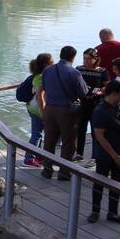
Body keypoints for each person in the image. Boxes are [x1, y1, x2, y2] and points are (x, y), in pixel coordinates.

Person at [88, 78, 120, 225]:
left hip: (119, 151)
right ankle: (95, 211)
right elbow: (100, 136)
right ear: (113, 93)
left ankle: (113, 212)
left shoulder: (116, 106)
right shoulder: (100, 110)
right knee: (99, 182)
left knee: (117, 184)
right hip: (105, 154)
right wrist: (115, 156)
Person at [40, 45, 87, 181]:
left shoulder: (47, 70)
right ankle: (64, 172)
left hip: (49, 108)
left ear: (60, 54)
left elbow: (44, 87)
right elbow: (83, 92)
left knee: (49, 140)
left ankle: (47, 170)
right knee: (68, 141)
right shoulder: (74, 73)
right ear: (73, 57)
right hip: (66, 110)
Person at [74, 47, 107, 165]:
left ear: (95, 59)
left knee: (95, 131)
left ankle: (94, 156)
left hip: (96, 104)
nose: (85, 61)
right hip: (82, 104)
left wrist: (100, 92)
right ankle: (79, 153)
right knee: (80, 129)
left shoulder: (102, 71)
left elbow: (107, 87)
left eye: (88, 59)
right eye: (84, 58)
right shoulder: (79, 69)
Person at [19, 52, 53, 167]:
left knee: (38, 133)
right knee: (37, 134)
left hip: (32, 108)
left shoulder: (36, 75)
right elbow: (39, 96)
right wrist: (43, 112)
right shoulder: (40, 77)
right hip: (37, 109)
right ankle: (29, 158)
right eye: (52, 61)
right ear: (47, 64)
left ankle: (37, 155)